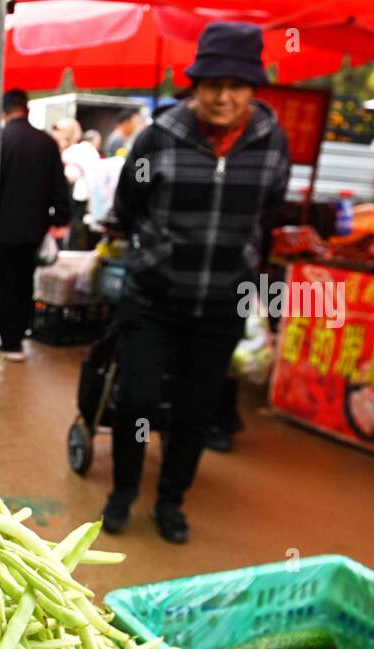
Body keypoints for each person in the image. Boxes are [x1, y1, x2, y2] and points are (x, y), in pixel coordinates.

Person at [103, 22, 290, 545]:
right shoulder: (158, 136)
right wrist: (158, 253)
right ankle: (121, 493)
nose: (223, 96)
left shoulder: (273, 143)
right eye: (212, 83)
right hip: (152, 299)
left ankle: (170, 502)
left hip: (222, 305)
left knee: (195, 410)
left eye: (236, 85)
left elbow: (269, 212)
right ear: (195, 84)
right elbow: (126, 208)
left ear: (253, 88)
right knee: (136, 400)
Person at [0, 89, 70, 361]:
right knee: (26, 282)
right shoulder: (47, 143)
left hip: (1, 229)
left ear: (4, 111)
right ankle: (19, 334)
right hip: (34, 228)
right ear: (26, 108)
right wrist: (59, 218)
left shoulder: (0, 140)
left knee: (2, 284)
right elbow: (60, 187)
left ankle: (7, 338)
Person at [54, 118, 101, 250]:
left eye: (62, 131)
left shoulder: (81, 150)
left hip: (76, 194)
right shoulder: (66, 149)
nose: (58, 134)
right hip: (66, 193)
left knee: (75, 223)